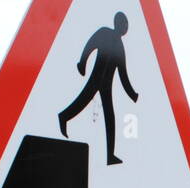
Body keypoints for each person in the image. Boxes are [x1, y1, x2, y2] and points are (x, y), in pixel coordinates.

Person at [58, 11, 140, 165]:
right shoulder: (105, 33)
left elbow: (123, 74)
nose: (125, 27)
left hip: (106, 84)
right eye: (124, 24)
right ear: (118, 23)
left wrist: (132, 94)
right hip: (96, 78)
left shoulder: (120, 48)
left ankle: (110, 155)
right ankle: (63, 117)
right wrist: (82, 63)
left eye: (127, 26)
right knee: (82, 102)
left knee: (110, 116)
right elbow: (90, 45)